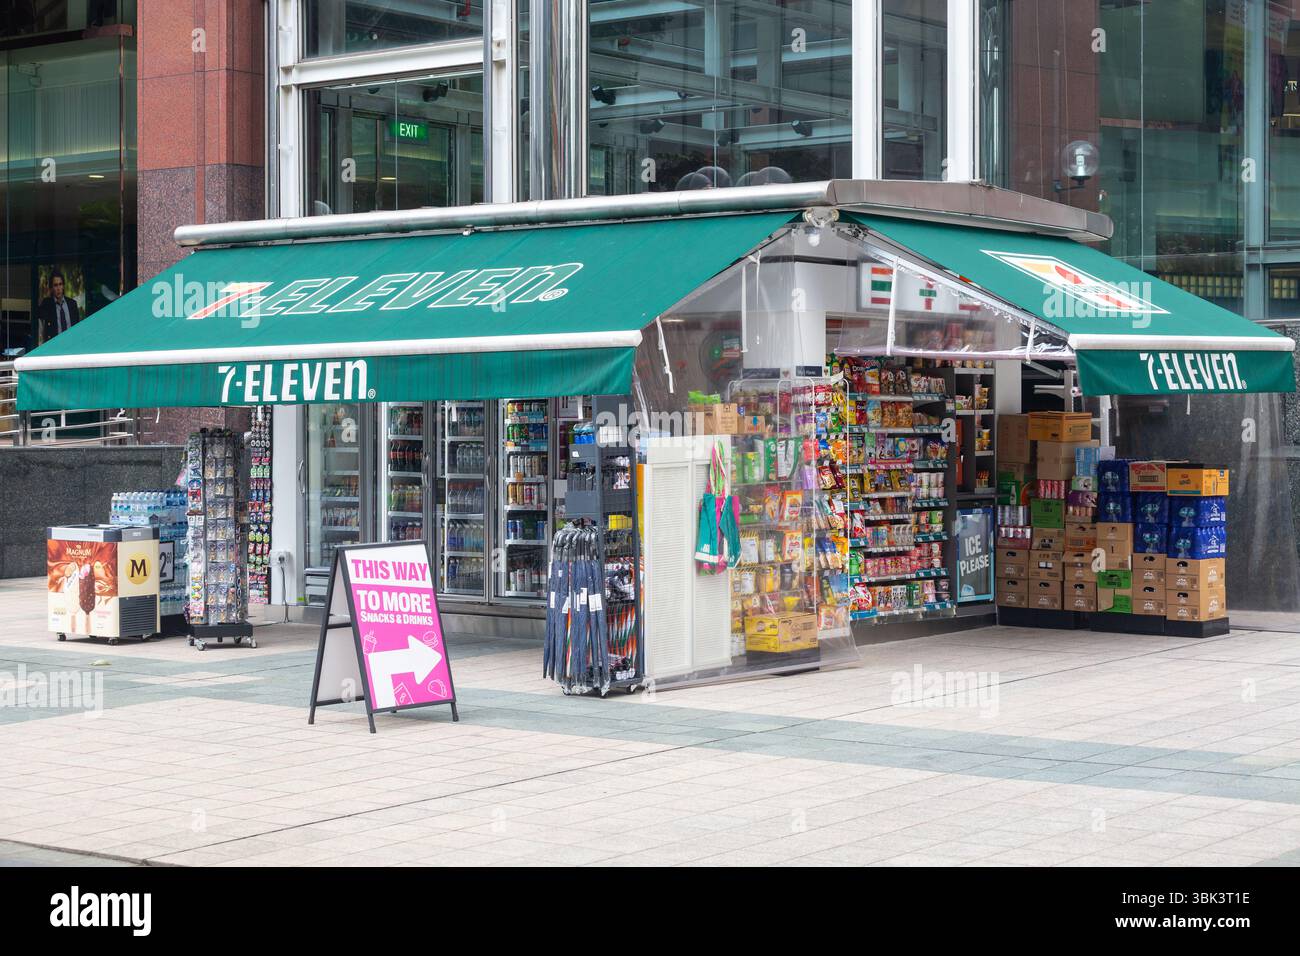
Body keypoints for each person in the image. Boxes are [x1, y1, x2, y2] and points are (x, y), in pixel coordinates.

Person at [35, 271, 81, 344]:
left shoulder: (72, 304)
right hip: (55, 346)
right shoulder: (47, 304)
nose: (58, 288)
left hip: (71, 345)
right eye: (55, 285)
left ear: (63, 286)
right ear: (51, 288)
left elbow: (78, 328)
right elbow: (41, 329)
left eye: (60, 284)